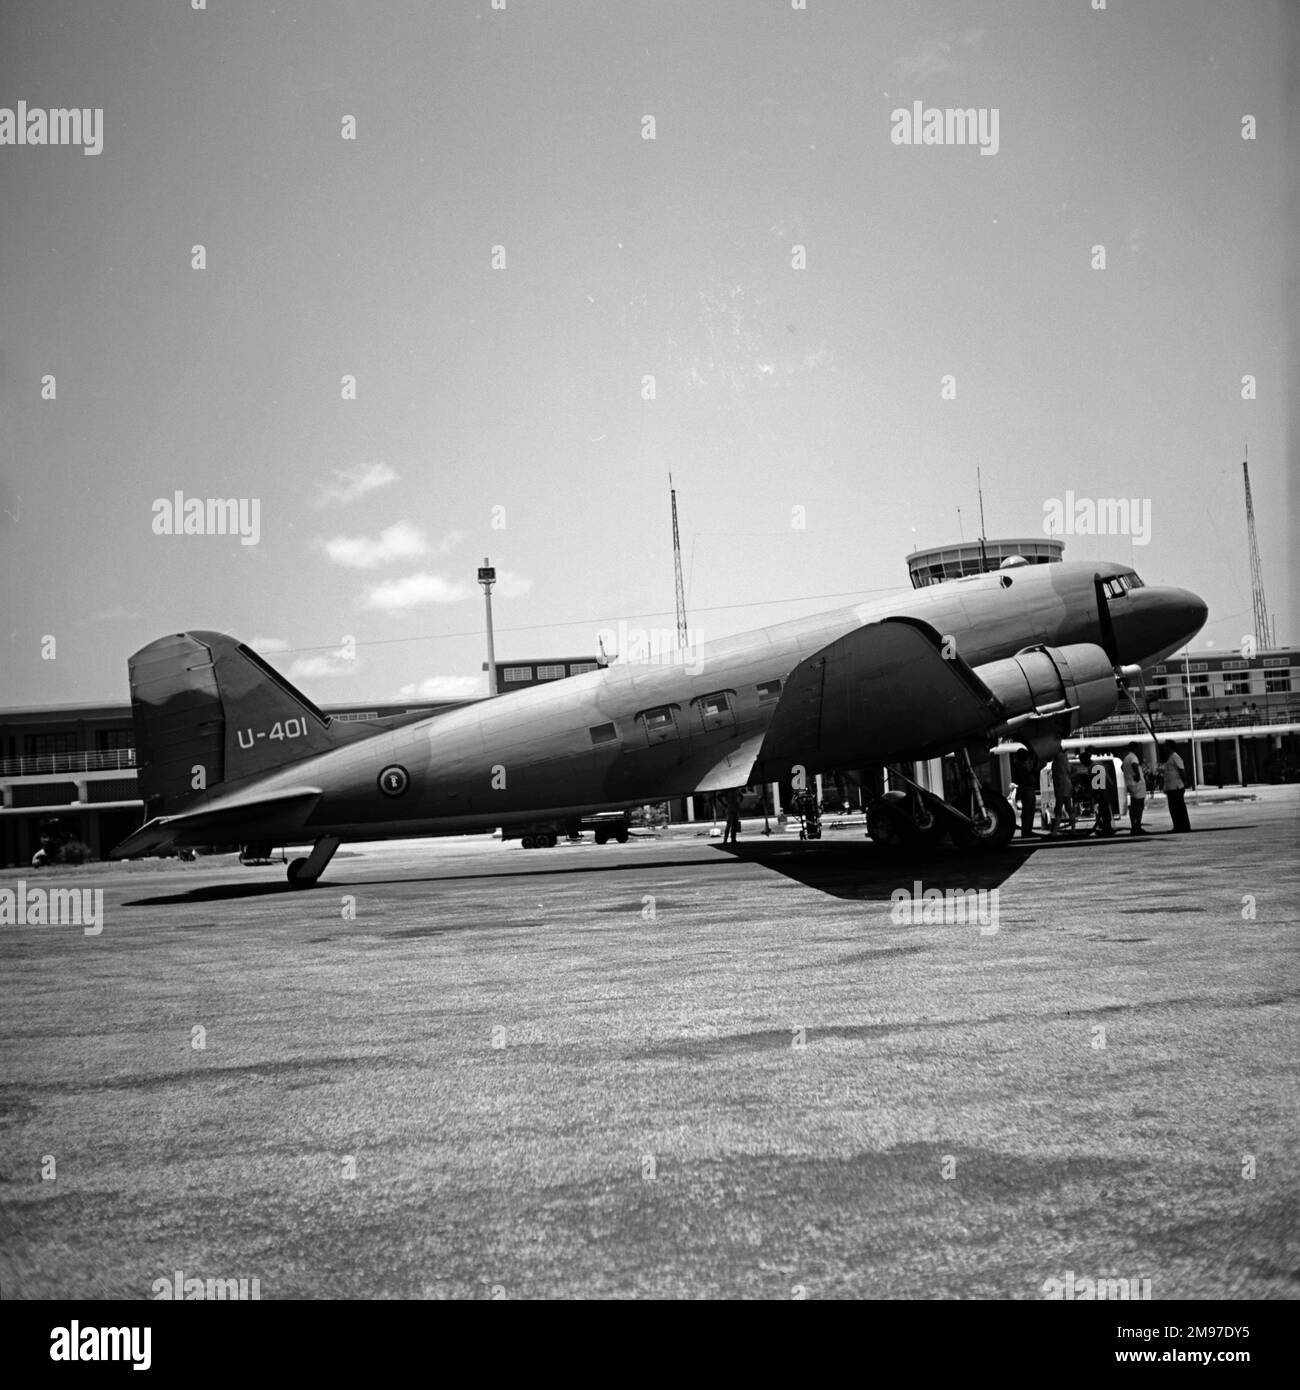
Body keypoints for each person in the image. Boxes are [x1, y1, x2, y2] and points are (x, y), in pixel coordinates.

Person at [1079, 747, 1114, 836]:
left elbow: (1097, 784)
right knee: (1104, 811)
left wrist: (1095, 794)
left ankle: (1107, 829)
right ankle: (1106, 828)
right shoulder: (1097, 765)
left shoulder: (1093, 767)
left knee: (1104, 811)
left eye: (1082, 761)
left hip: (1103, 792)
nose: (1082, 764)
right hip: (1107, 790)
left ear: (1086, 760)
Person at [1161, 742, 1191, 832]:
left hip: (1177, 788)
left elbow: (1181, 770)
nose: (1164, 749)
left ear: (1170, 747)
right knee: (1173, 809)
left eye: (1166, 747)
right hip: (1171, 788)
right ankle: (1177, 826)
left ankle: (1184, 827)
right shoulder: (1169, 758)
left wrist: (1185, 782)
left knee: (1179, 809)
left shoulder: (1175, 757)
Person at [1012, 747, 1040, 839]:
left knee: (1029, 811)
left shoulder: (1019, 765)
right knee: (1028, 811)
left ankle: (1027, 830)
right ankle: (1027, 831)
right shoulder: (1020, 766)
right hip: (1027, 789)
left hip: (1026, 789)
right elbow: (1028, 774)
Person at [1048, 746, 1076, 837]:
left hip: (1060, 787)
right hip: (1067, 786)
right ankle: (1073, 829)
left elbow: (1055, 776)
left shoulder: (1056, 761)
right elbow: (1072, 770)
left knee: (1058, 809)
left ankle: (1055, 832)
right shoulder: (1065, 759)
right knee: (1069, 808)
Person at [1122, 742, 1148, 834]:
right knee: (1139, 807)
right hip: (1137, 785)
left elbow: (1122, 767)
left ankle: (1134, 826)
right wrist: (1137, 775)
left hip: (1130, 784)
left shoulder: (1126, 758)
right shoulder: (1133, 757)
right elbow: (1134, 765)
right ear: (1136, 748)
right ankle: (1138, 827)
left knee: (1133, 808)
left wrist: (1128, 775)